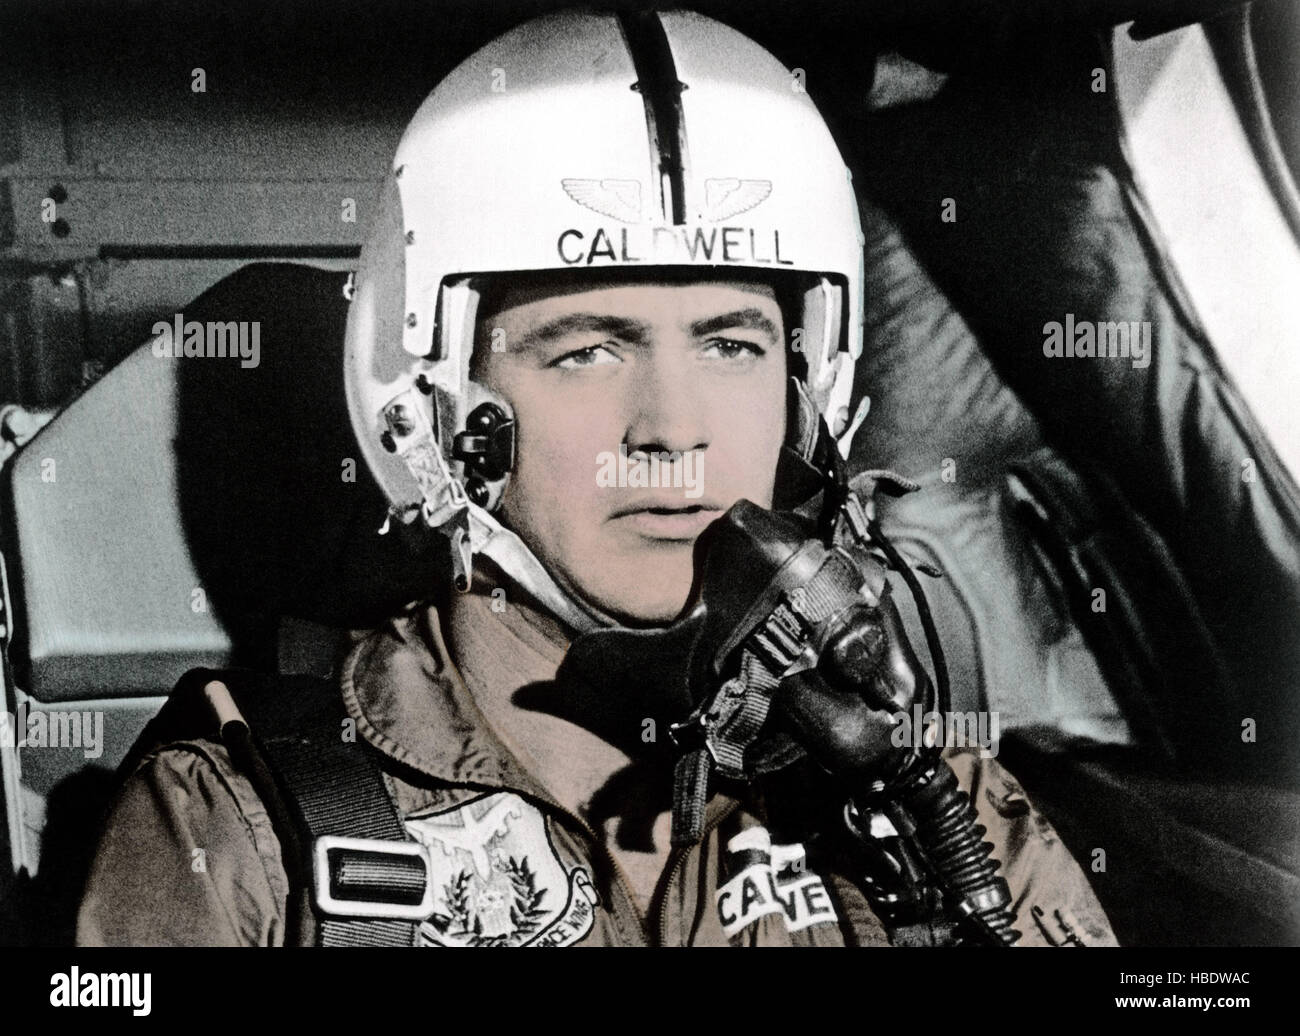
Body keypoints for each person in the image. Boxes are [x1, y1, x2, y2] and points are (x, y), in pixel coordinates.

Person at [77, 7, 1116, 947]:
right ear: (441, 407)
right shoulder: (243, 829)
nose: (674, 432)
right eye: (587, 351)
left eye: (733, 347)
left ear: (810, 399)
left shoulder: (938, 820)